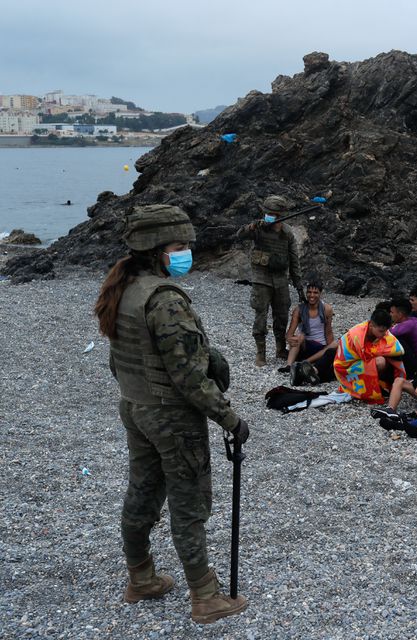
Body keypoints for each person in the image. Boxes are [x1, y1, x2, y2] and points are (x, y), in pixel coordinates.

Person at [93, 204, 248, 624]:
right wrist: (229, 418)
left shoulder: (123, 288)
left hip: (136, 407)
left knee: (142, 491)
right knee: (189, 501)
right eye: (179, 247)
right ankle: (205, 596)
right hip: (172, 417)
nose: (186, 255)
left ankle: (141, 576)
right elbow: (190, 377)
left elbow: (119, 360)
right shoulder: (164, 299)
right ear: (158, 251)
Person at [236, 195, 303, 366]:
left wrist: (298, 284)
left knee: (281, 316)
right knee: (261, 315)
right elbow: (240, 235)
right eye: (269, 213)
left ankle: (280, 349)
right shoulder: (258, 229)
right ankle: (261, 353)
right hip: (261, 279)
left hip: (280, 280)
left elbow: (294, 260)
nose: (271, 217)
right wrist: (252, 227)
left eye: (275, 214)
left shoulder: (287, 234)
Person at [333, 309, 406, 404]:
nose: (384, 334)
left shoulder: (382, 331)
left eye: (385, 331)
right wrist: (381, 350)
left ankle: (386, 384)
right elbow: (365, 355)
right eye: (381, 331)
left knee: (392, 358)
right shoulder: (357, 334)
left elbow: (399, 349)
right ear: (371, 325)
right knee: (380, 361)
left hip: (361, 361)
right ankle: (371, 388)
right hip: (346, 367)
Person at [280, 274, 335, 374]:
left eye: (315, 292)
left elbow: (328, 332)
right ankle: (289, 366)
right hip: (304, 346)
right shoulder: (299, 310)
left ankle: (305, 363)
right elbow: (289, 333)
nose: (312, 295)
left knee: (336, 345)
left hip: (319, 347)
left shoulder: (326, 309)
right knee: (300, 336)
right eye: (309, 292)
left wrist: (330, 349)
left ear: (320, 294)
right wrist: (290, 339)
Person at [388, 298, 417, 377]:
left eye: (392, 312)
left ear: (400, 314)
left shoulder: (409, 324)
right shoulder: (413, 320)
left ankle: (405, 374)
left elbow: (388, 333)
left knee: (396, 341)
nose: (390, 314)